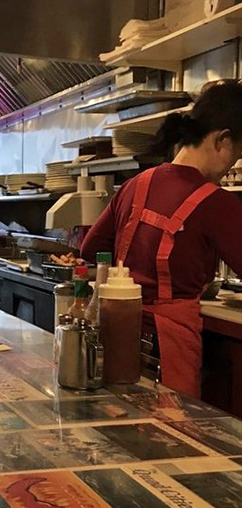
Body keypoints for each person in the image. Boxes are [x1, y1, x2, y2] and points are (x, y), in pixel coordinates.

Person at [81, 80, 242, 398]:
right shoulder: (215, 202)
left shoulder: (134, 185)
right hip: (170, 347)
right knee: (172, 438)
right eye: (238, 154)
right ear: (222, 140)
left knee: (120, 429)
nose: (233, 165)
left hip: (118, 337)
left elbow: (91, 249)